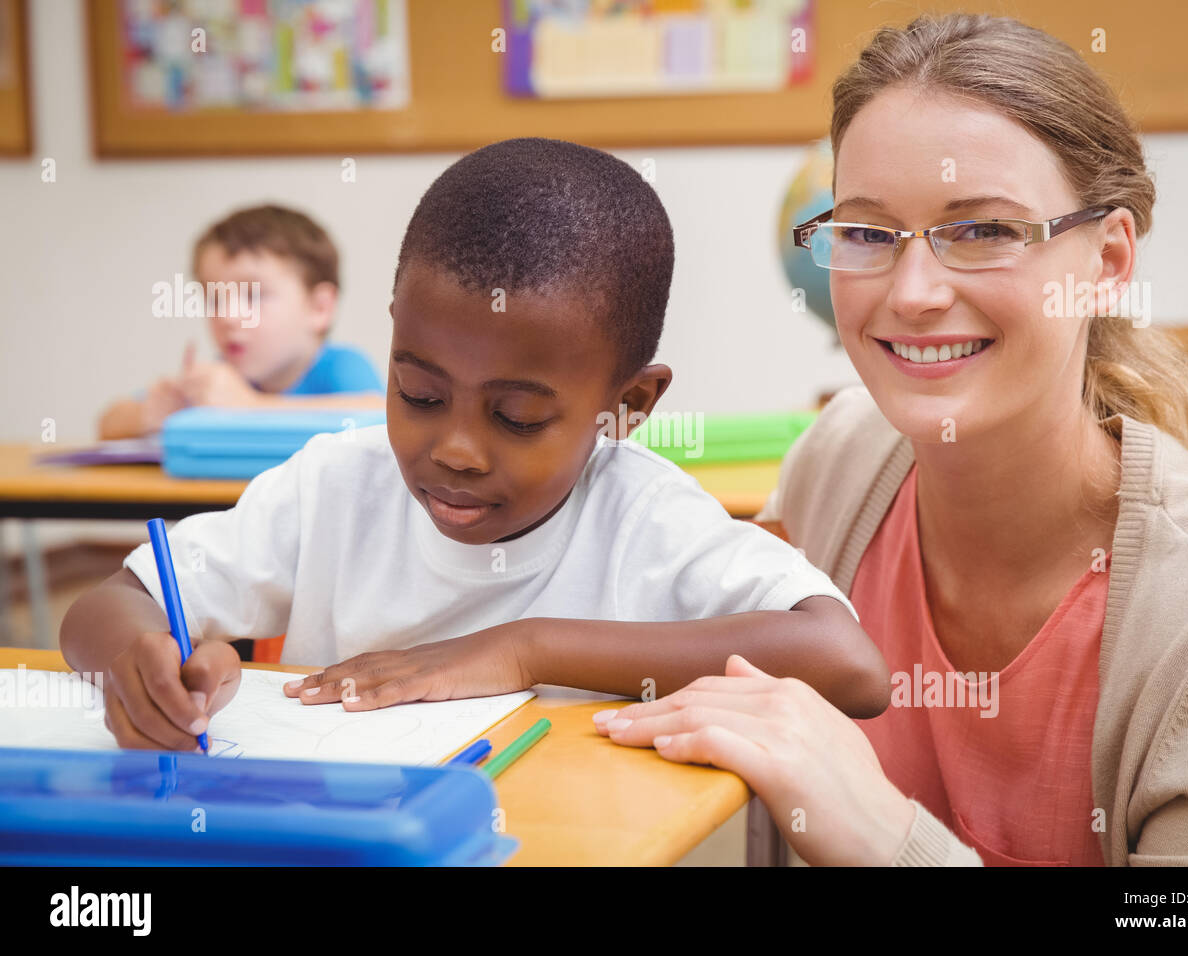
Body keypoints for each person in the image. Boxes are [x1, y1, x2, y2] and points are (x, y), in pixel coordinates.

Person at [596, 13, 1188, 866]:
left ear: (1109, 263)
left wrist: (889, 841)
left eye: (984, 231)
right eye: (866, 232)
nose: (916, 291)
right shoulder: (838, 460)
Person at [61, 138, 890, 753]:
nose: (454, 448)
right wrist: (141, 659)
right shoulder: (335, 489)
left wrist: (520, 648)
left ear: (626, 405)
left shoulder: (644, 519)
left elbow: (848, 665)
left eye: (518, 417)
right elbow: (102, 607)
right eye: (419, 395)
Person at [97, 204, 383, 440]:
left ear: (319, 308)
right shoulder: (220, 378)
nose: (227, 317)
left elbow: (379, 416)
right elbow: (108, 422)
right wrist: (152, 412)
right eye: (215, 299)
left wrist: (250, 406)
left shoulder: (341, 366)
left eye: (252, 295)